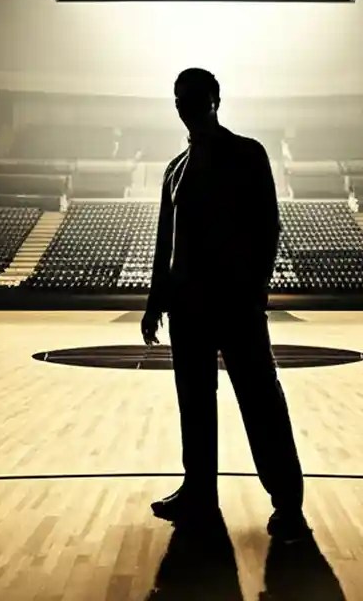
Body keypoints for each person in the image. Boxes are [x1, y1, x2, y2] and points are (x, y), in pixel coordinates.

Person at [141, 68, 309, 540]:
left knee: (261, 403)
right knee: (194, 405)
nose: (183, 104)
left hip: (235, 305)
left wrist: (254, 292)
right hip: (187, 309)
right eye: (177, 96)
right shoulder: (174, 168)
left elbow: (269, 226)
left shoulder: (247, 154)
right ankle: (199, 492)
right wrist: (156, 302)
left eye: (192, 96)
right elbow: (164, 244)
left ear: (215, 99)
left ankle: (288, 503)